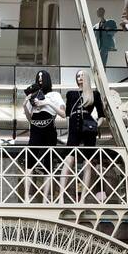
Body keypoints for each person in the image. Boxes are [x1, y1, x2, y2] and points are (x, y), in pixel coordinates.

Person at [62, 69, 106, 202]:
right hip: (74, 128)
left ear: (86, 77)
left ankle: (83, 198)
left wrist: (95, 126)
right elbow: (68, 115)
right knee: (69, 160)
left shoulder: (94, 94)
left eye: (82, 75)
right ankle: (61, 197)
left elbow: (101, 115)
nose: (80, 78)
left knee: (87, 162)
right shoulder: (71, 94)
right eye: (78, 76)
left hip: (88, 129)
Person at [22, 69, 65, 191]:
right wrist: (25, 105)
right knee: (29, 162)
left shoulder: (55, 95)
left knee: (49, 163)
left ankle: (46, 198)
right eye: (38, 77)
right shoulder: (33, 95)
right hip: (35, 129)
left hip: (49, 129)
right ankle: (26, 196)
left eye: (42, 77)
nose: (40, 79)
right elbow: (30, 119)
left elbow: (63, 113)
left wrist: (46, 103)